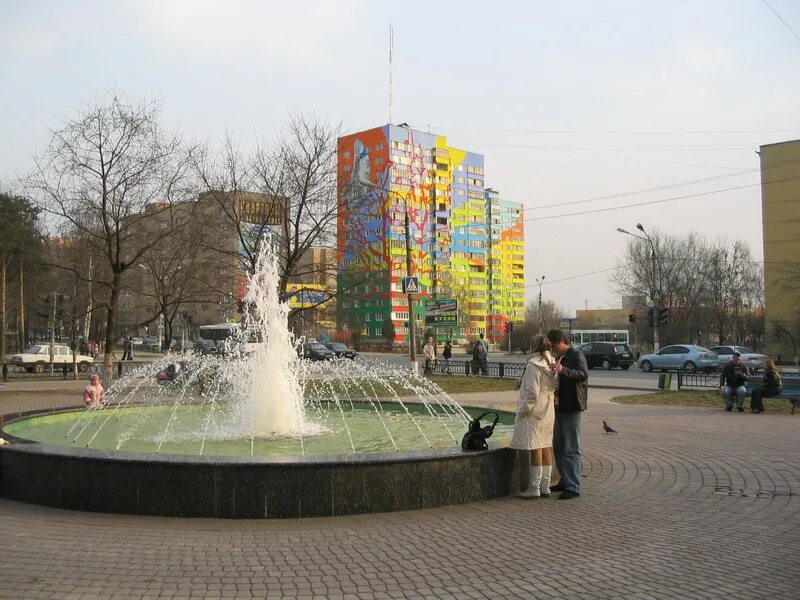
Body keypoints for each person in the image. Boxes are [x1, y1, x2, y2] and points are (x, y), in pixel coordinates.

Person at [511, 334, 558, 498]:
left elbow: (532, 392)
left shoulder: (534, 364)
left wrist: (523, 410)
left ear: (534, 346)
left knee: (535, 447)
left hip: (535, 410)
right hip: (548, 409)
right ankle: (545, 486)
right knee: (546, 446)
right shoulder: (550, 362)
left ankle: (534, 487)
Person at [547, 328, 588, 500]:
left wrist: (563, 370)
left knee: (571, 448)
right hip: (559, 407)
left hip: (572, 407)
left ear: (562, 341)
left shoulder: (576, 355)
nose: (553, 349)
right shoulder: (559, 358)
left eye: (554, 345)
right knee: (558, 446)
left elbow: (582, 375)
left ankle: (573, 486)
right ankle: (565, 480)